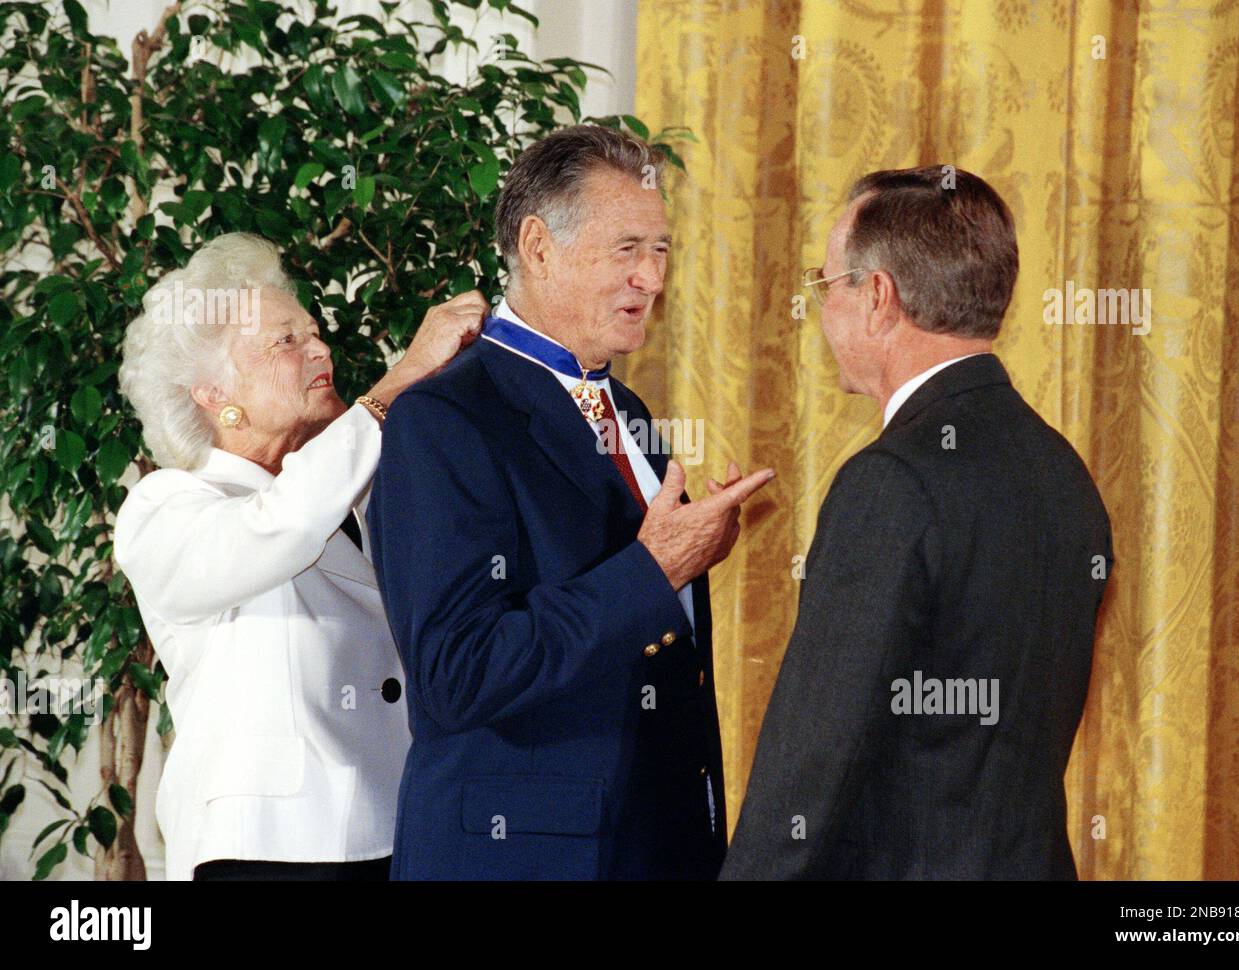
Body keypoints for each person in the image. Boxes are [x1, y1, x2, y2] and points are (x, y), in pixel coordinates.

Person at [368, 125, 774, 880]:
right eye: (627, 250)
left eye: (660, 252)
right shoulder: (445, 419)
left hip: (654, 846)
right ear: (538, 247)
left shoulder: (634, 414)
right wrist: (655, 571)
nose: (652, 279)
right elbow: (456, 674)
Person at [720, 166, 1113, 880]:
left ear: (877, 297)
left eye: (827, 285)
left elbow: (811, 764)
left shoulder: (889, 484)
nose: (822, 311)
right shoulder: (1064, 472)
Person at [113, 232, 485, 880]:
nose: (320, 349)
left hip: (398, 833)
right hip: (267, 853)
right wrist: (400, 380)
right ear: (211, 392)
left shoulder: (359, 488)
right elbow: (279, 525)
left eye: (313, 332)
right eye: (286, 341)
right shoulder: (165, 507)